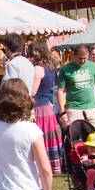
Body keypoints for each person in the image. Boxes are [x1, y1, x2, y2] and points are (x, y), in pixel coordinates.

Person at [28, 40, 64, 175]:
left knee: (39, 140)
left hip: (39, 108)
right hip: (47, 107)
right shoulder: (50, 67)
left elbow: (33, 92)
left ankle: (41, 167)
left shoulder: (38, 69)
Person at [56, 43, 95, 136]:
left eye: (85, 58)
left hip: (91, 108)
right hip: (74, 109)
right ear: (74, 55)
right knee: (75, 138)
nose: (83, 61)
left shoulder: (92, 66)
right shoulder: (65, 69)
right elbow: (60, 91)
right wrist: (62, 112)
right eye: (80, 58)